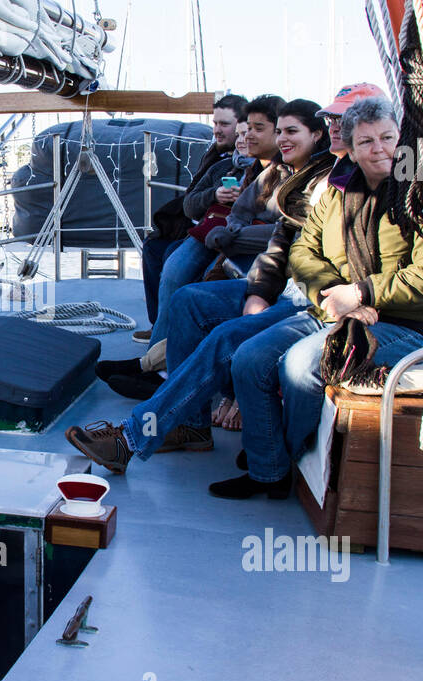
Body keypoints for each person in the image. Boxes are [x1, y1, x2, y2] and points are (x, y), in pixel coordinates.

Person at [65, 100, 337, 469]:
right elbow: (275, 238)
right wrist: (257, 289)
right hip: (278, 285)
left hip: (309, 298)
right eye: (282, 131)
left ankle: (133, 435)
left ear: (317, 135)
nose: (283, 139)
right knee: (187, 300)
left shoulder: (330, 181)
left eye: (292, 132)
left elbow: (295, 247)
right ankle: (191, 427)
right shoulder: (290, 174)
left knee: (224, 337)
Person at [208, 95, 423, 498]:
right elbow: (302, 253)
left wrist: (362, 293)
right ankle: (269, 474)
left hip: (400, 325)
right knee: (248, 358)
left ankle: (280, 454)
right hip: (332, 308)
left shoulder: (420, 193)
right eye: (367, 141)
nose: (380, 149)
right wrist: (333, 295)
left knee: (301, 367)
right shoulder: (336, 190)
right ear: (350, 147)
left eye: (387, 138)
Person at [146, 94, 285, 348]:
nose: (246, 138)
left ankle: (163, 354)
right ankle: (158, 348)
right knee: (166, 260)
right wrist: (215, 195)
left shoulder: (276, 173)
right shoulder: (223, 166)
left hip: (237, 242)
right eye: (244, 132)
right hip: (213, 231)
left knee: (185, 280)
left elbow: (279, 224)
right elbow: (190, 203)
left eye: (254, 130)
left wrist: (233, 232)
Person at [137, 94, 249, 339]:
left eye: (225, 125)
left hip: (225, 236)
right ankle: (160, 327)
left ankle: (166, 336)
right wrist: (214, 195)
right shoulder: (219, 162)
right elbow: (190, 202)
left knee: (171, 258)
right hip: (201, 227)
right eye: (215, 123)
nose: (217, 130)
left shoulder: (261, 169)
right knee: (154, 247)